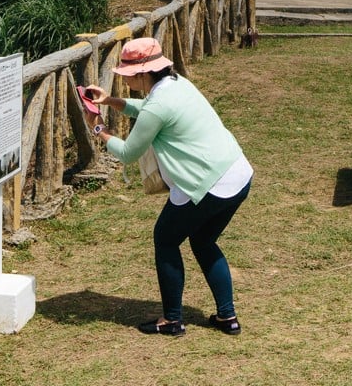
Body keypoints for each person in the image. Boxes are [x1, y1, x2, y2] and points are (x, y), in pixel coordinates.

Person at [85, 37, 254, 337]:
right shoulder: (178, 84)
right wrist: (110, 101)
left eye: (128, 75)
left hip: (206, 184)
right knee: (203, 241)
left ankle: (172, 321)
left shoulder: (158, 104)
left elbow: (128, 153)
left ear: (143, 74)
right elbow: (148, 109)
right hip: (237, 174)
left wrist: (98, 128)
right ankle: (227, 317)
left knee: (165, 239)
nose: (126, 81)